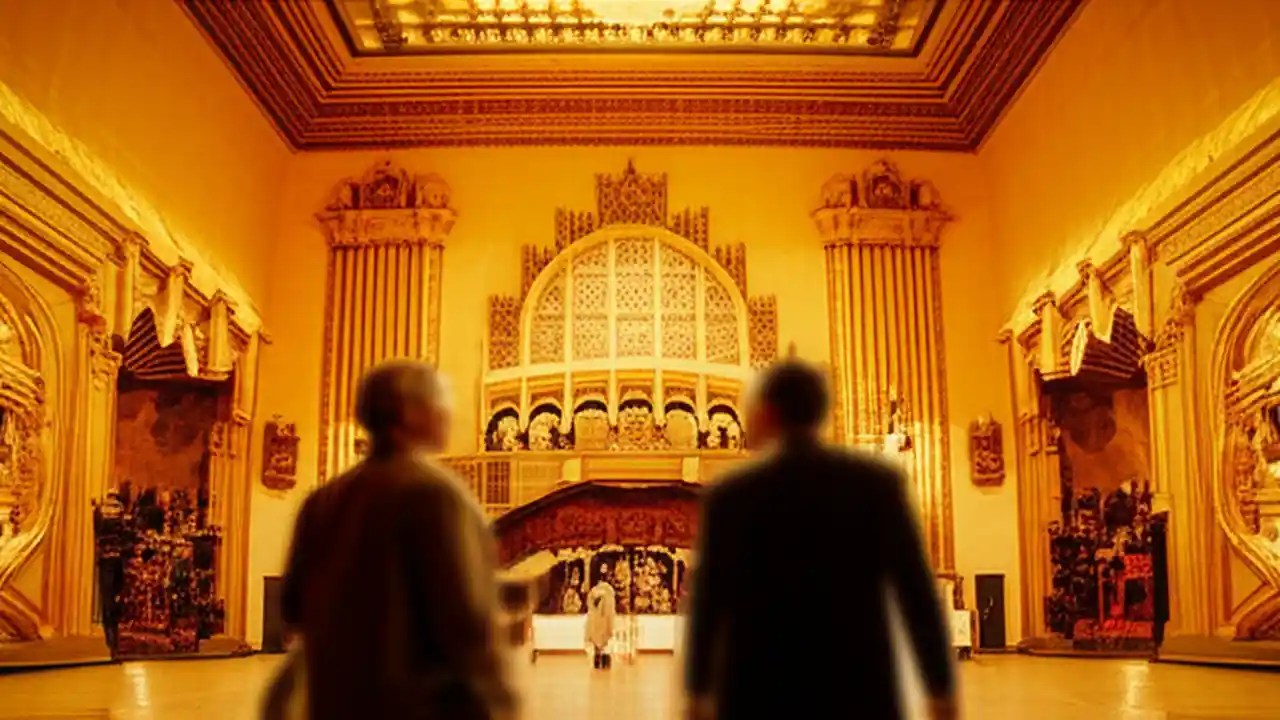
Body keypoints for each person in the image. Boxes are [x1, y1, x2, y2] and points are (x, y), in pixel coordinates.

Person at [684, 360, 957, 720]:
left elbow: (709, 603)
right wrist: (940, 687)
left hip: (759, 689)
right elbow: (916, 591)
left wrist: (697, 691)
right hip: (857, 686)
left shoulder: (732, 495)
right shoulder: (875, 485)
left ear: (767, 413)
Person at [268, 359, 516, 720]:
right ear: (411, 412)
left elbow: (291, 606)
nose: (447, 414)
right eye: (439, 402)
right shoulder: (435, 494)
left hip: (334, 703)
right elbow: (466, 623)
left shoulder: (321, 500)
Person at [585, 567, 617, 669]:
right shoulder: (603, 591)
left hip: (600, 619)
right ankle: (601, 659)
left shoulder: (605, 591)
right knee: (602, 640)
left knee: (602, 640)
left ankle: (601, 658)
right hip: (601, 619)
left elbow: (591, 605)